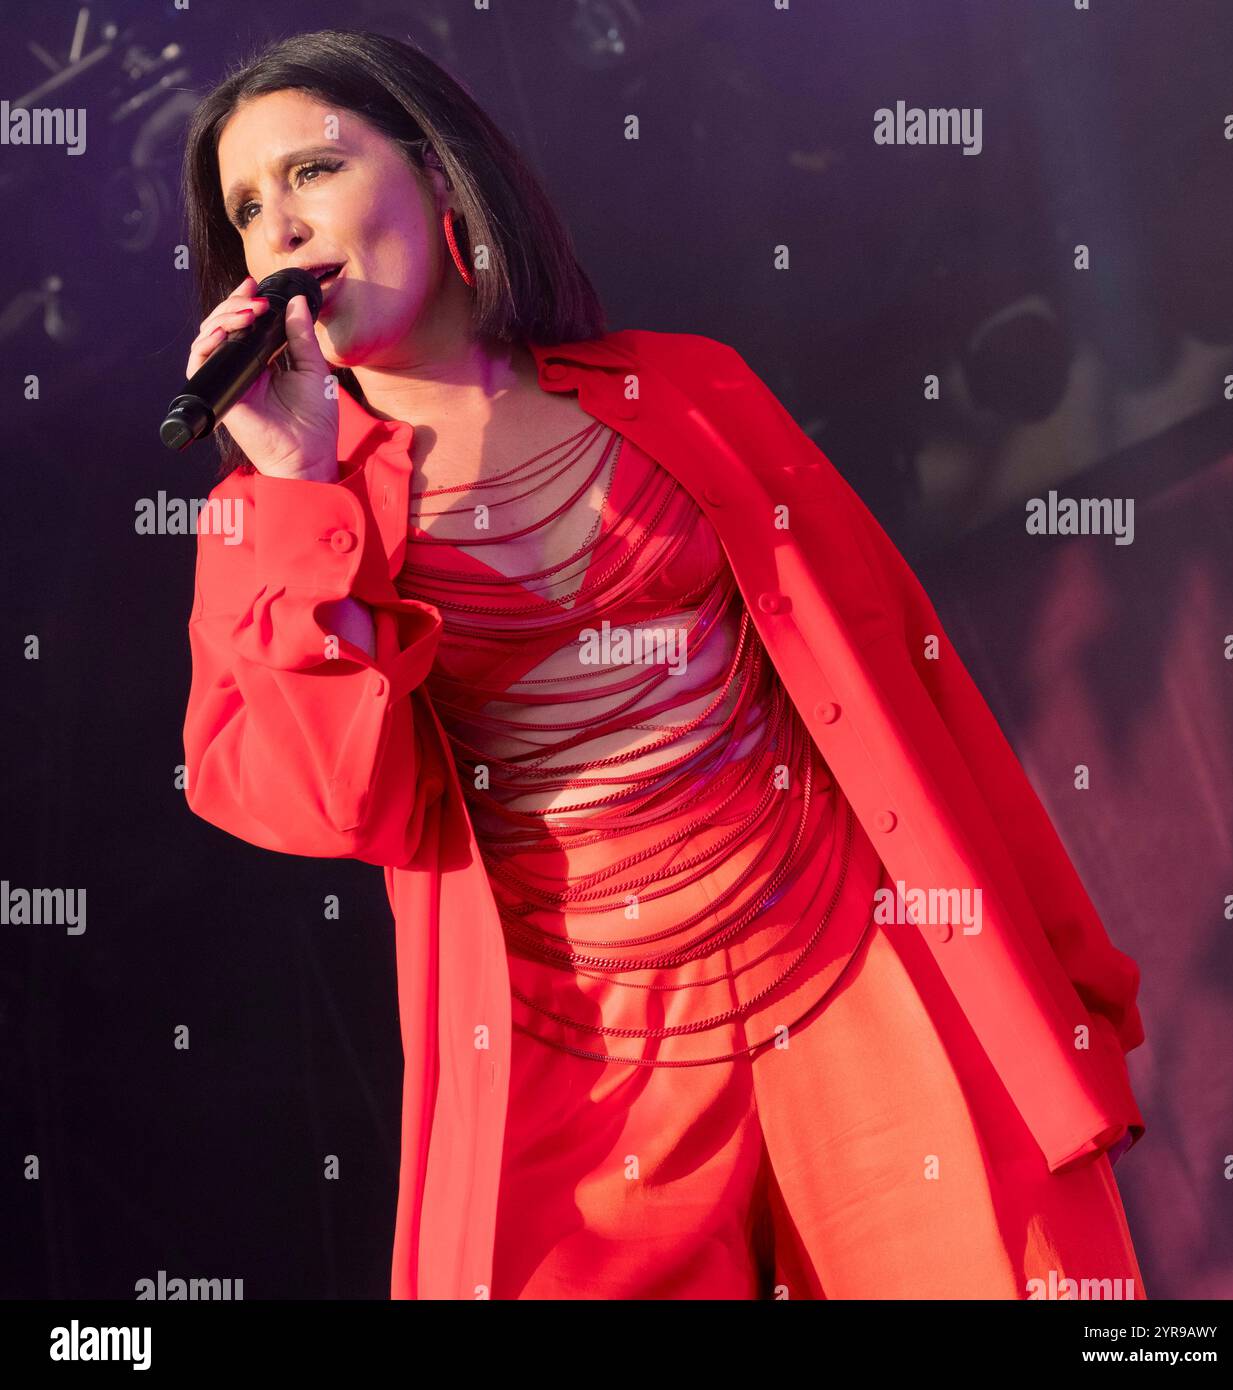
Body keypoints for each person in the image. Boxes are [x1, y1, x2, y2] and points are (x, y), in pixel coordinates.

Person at [179, 28, 1148, 1300]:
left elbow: (916, 690)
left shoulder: (683, 390)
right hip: (580, 1067)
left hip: (854, 967)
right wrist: (298, 486)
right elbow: (329, 804)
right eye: (247, 210)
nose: (278, 228)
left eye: (311, 170)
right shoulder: (274, 519)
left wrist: (1059, 964)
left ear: (438, 176)